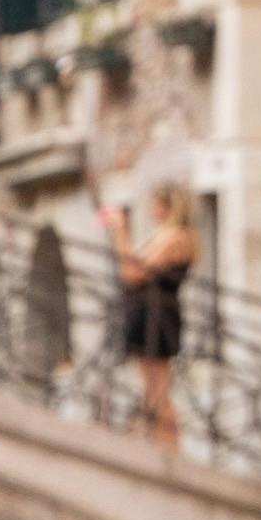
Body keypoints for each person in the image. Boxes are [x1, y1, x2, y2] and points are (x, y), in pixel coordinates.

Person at [100, 175, 200, 454]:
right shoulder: (168, 236)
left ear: (168, 207)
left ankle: (170, 455)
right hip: (149, 314)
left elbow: (131, 274)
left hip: (156, 318)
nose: (151, 210)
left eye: (155, 204)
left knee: (158, 391)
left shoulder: (175, 237)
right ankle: (153, 449)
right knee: (151, 389)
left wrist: (121, 231)